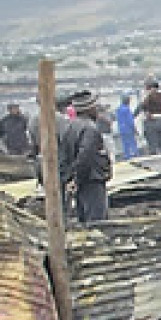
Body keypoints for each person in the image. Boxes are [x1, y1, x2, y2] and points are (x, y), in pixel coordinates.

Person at [62, 92, 112, 223]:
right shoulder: (90, 129)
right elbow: (85, 156)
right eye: (95, 107)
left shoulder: (70, 127)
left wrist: (71, 179)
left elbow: (66, 157)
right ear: (89, 109)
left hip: (81, 182)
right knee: (96, 221)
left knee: (84, 218)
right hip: (92, 181)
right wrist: (78, 178)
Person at [138, 80, 161, 155]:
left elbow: (142, 107)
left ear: (151, 88)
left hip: (152, 122)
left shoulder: (149, 96)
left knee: (153, 147)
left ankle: (155, 162)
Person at [115, 96, 139, 160]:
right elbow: (130, 121)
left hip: (121, 129)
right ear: (128, 101)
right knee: (132, 143)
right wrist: (135, 130)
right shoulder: (127, 110)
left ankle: (127, 156)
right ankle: (135, 155)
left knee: (125, 144)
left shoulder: (118, 109)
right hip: (129, 129)